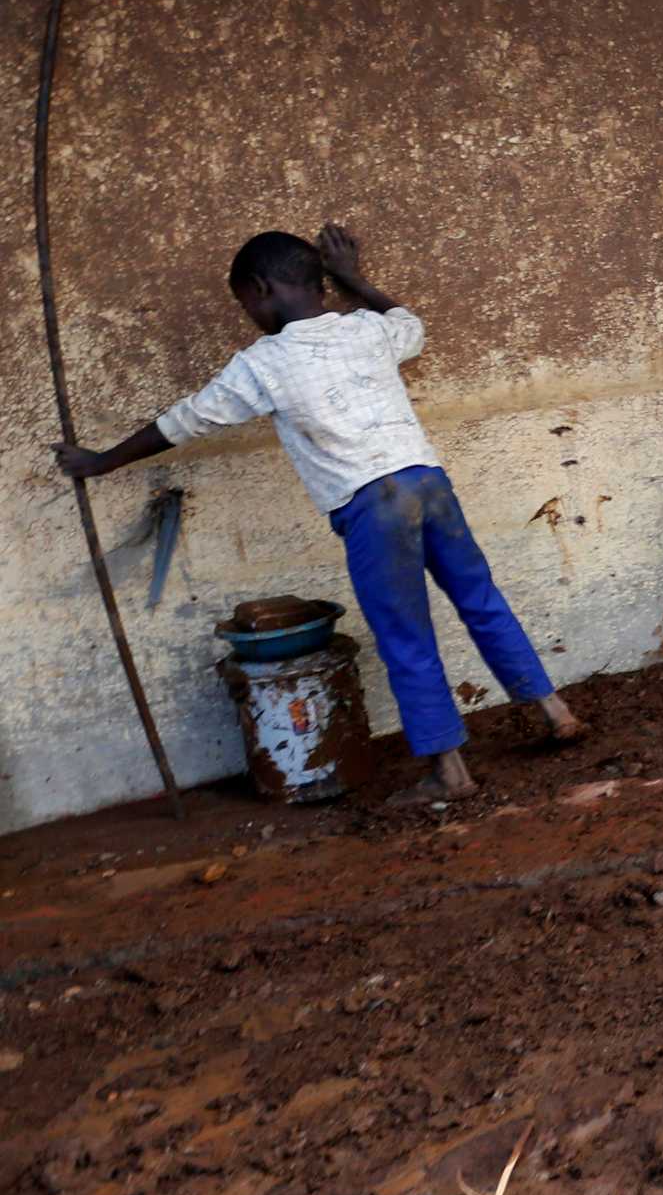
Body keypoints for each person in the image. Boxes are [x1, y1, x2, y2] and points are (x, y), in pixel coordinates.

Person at [55, 225, 583, 802]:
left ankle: (450, 773)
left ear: (260, 290)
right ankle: (554, 712)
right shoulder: (366, 329)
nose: (248, 316)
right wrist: (356, 281)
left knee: (406, 636)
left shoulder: (263, 364)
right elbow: (412, 326)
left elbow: (184, 421)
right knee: (482, 601)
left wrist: (101, 461)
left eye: (244, 304)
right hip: (428, 483)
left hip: (371, 506)